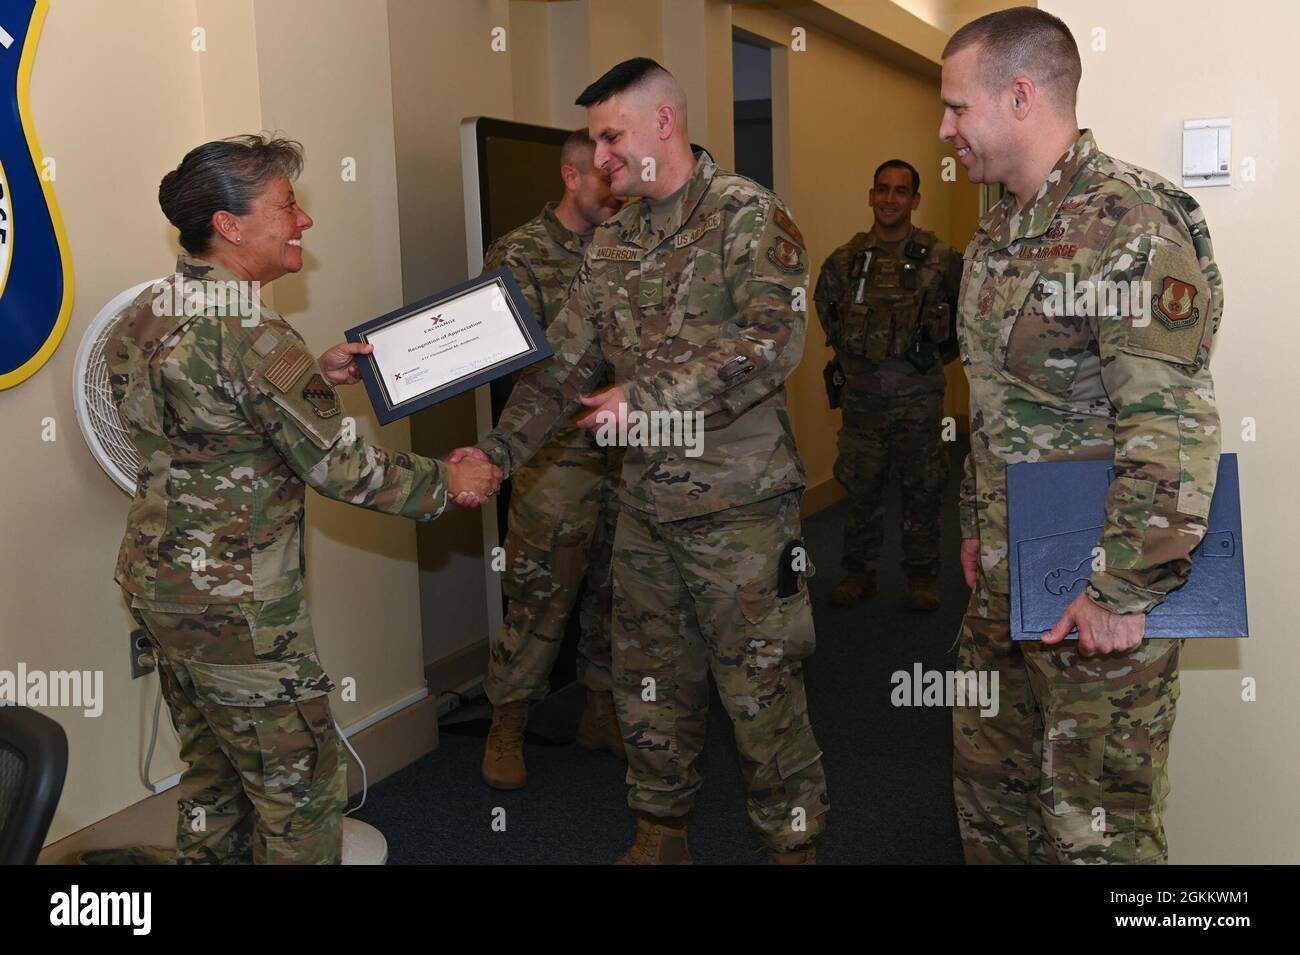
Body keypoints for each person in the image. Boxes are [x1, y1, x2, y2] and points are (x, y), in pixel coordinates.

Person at [454, 58, 828, 864]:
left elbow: (773, 343)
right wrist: (493, 454)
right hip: (647, 508)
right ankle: (661, 831)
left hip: (740, 510)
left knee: (759, 690)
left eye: (611, 137)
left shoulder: (746, 215)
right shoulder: (614, 240)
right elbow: (561, 369)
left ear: (665, 124)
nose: (600, 159)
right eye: (593, 142)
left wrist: (647, 396)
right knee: (650, 683)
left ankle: (792, 843)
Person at [107, 134, 500, 864]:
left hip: (161, 587)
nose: (303, 221)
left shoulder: (149, 309)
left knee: (214, 777)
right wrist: (450, 481)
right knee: (302, 793)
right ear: (229, 225)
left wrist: (312, 376)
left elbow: (208, 420)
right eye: (287, 205)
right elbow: (338, 465)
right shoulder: (251, 330)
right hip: (240, 611)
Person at [940, 8, 1222, 863]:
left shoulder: (1130, 225)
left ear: (1020, 96)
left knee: (1095, 832)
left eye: (956, 107)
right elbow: (994, 403)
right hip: (1007, 578)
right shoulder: (996, 228)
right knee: (996, 800)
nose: (943, 128)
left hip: (1096, 600)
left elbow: (1169, 431)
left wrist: (1120, 590)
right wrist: (974, 523)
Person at [479, 130, 626, 789]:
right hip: (557, 453)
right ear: (571, 176)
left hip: (628, 450)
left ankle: (599, 709)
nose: (616, 191)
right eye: (603, 179)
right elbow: (510, 360)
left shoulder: (633, 248)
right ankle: (506, 724)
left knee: (617, 593)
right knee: (541, 596)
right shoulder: (520, 252)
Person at [814, 160, 962, 611]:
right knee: (860, 490)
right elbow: (828, 315)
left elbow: (965, 323)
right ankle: (859, 574)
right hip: (862, 402)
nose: (890, 199)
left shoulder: (941, 258)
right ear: (871, 195)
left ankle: (922, 577)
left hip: (919, 400)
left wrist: (923, 362)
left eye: (901, 191)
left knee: (923, 488)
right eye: (882, 190)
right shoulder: (844, 262)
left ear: (915, 200)